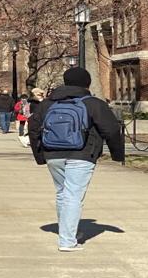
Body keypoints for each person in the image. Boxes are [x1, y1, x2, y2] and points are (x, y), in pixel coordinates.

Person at [30, 67, 124, 252]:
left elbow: (33, 128)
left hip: (52, 153)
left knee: (62, 193)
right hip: (82, 153)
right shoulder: (93, 103)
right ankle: (67, 240)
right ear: (86, 83)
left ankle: (66, 231)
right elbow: (111, 129)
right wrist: (117, 154)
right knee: (73, 195)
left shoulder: (48, 103)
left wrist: (40, 155)